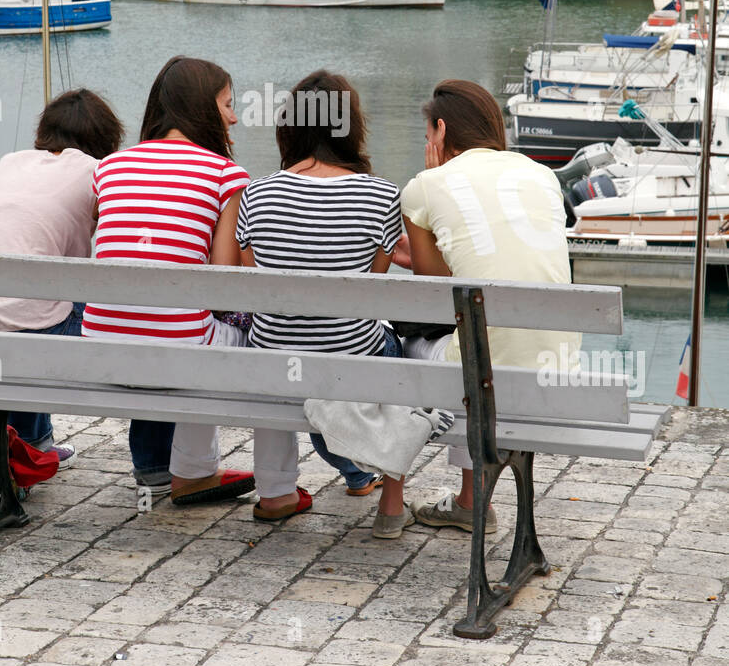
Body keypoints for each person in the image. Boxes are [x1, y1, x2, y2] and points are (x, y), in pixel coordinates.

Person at [82, 57, 299, 513]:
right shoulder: (224, 173)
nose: (234, 116)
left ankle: (195, 473)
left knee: (184, 325)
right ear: (202, 108)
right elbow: (223, 284)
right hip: (179, 349)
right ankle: (265, 485)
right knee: (262, 339)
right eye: (227, 104)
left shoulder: (110, 167)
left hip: (99, 345)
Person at [400, 79, 580, 534]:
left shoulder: (425, 185)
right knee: (475, 336)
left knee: (402, 347)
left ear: (440, 131)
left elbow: (432, 283)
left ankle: (387, 493)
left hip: (483, 371)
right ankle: (469, 499)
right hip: (556, 366)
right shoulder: (541, 174)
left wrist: (427, 184)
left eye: (428, 135)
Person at [236, 70, 404, 520]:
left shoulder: (255, 192)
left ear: (290, 126)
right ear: (351, 127)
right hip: (349, 359)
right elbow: (373, 290)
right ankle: (364, 470)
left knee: (274, 339)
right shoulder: (383, 195)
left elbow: (255, 286)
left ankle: (277, 493)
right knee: (383, 340)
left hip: (274, 359)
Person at [0, 89, 125, 463]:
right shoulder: (97, 172)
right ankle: (33, 444)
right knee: (60, 298)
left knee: (39, 296)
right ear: (106, 138)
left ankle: (31, 443)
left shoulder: (8, 161)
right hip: (22, 335)